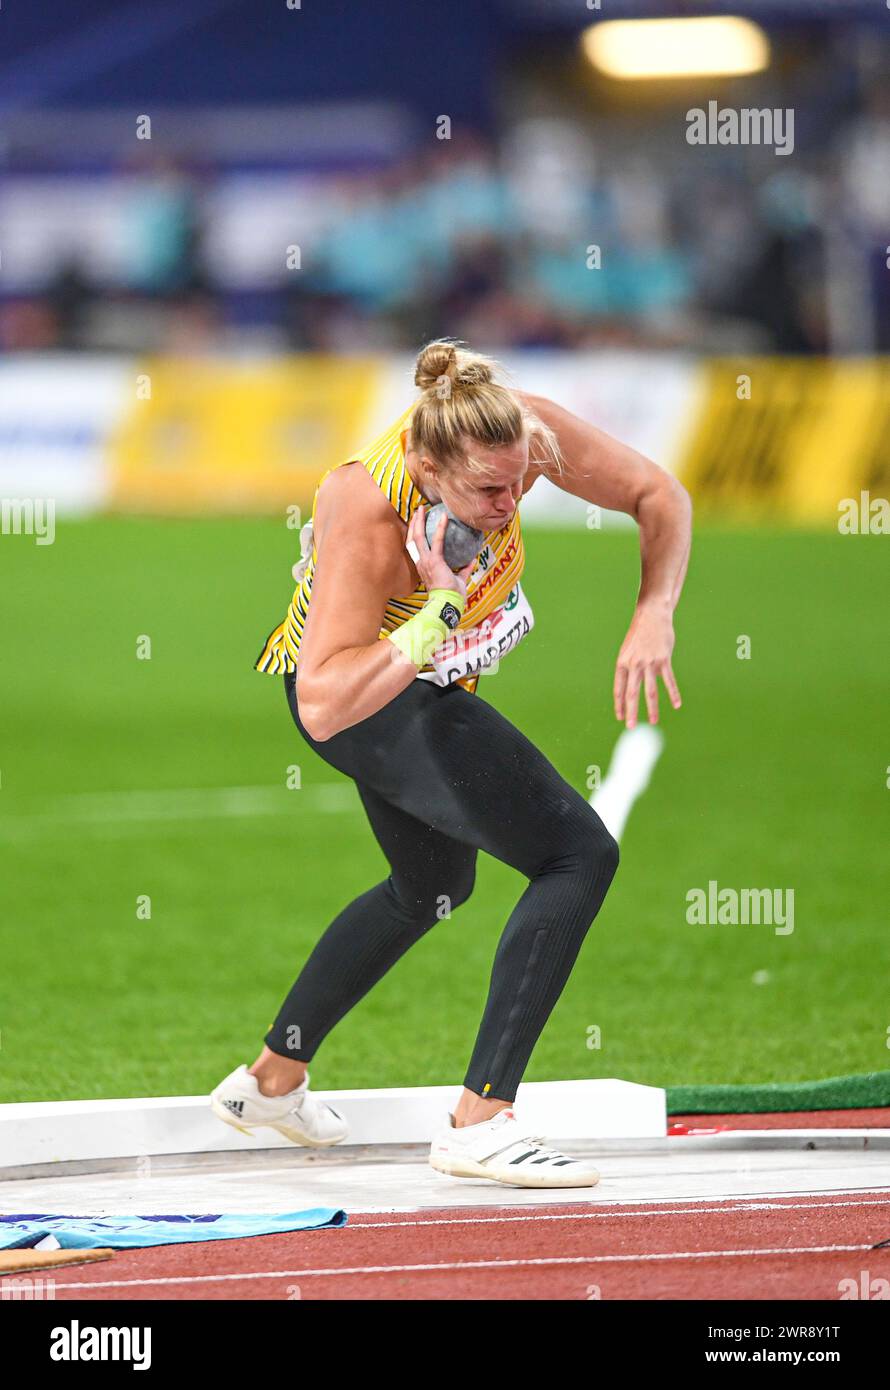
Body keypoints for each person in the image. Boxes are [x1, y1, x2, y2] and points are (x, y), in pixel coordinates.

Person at [211, 340, 691, 1187]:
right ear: (429, 469)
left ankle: (269, 1084)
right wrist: (436, 611)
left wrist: (654, 611)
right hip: (363, 694)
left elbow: (660, 493)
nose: (511, 503)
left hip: (422, 676)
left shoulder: (517, 435)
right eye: (486, 490)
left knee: (430, 885)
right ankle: (481, 1122)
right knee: (577, 855)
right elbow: (324, 700)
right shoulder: (366, 506)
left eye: (518, 483)